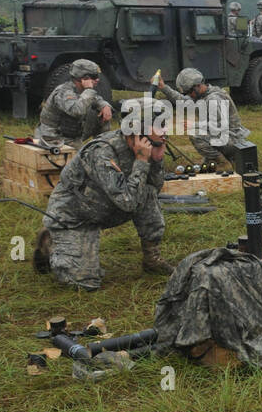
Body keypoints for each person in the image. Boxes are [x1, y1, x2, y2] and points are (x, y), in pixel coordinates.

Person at [32, 96, 174, 290]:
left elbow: (154, 189)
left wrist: (156, 161)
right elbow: (128, 202)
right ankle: (51, 243)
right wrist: (142, 161)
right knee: (85, 283)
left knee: (147, 192)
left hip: (107, 207)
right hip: (76, 216)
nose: (165, 131)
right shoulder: (102, 152)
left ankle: (152, 257)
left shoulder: (146, 146)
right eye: (158, 125)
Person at [153, 67, 250, 167]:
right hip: (224, 137)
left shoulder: (214, 98)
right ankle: (215, 159)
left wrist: (194, 125)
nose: (189, 96)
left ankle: (222, 164)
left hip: (232, 139)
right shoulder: (202, 95)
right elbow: (183, 101)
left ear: (197, 86)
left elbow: (219, 126)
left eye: (190, 92)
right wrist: (163, 87)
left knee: (196, 134)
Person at [33, 59, 113, 146]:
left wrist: (105, 106)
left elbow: (96, 98)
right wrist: (89, 90)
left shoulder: (81, 90)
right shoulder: (63, 92)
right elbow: (77, 110)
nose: (97, 80)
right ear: (83, 78)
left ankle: (101, 146)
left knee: (101, 114)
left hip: (71, 136)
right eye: (94, 77)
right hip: (52, 137)